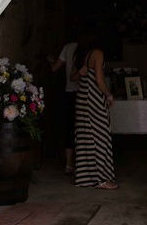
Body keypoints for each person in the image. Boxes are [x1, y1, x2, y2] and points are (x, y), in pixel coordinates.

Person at [73, 27, 118, 190]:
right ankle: (101, 179)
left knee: (86, 137)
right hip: (94, 99)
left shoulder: (80, 54)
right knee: (100, 137)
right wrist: (109, 94)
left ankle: (87, 177)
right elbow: (99, 80)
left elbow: (73, 77)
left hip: (82, 98)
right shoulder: (97, 53)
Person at [48, 37, 78, 174]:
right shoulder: (87, 48)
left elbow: (55, 68)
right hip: (83, 91)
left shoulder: (68, 47)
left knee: (70, 127)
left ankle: (68, 163)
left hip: (70, 91)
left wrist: (50, 60)